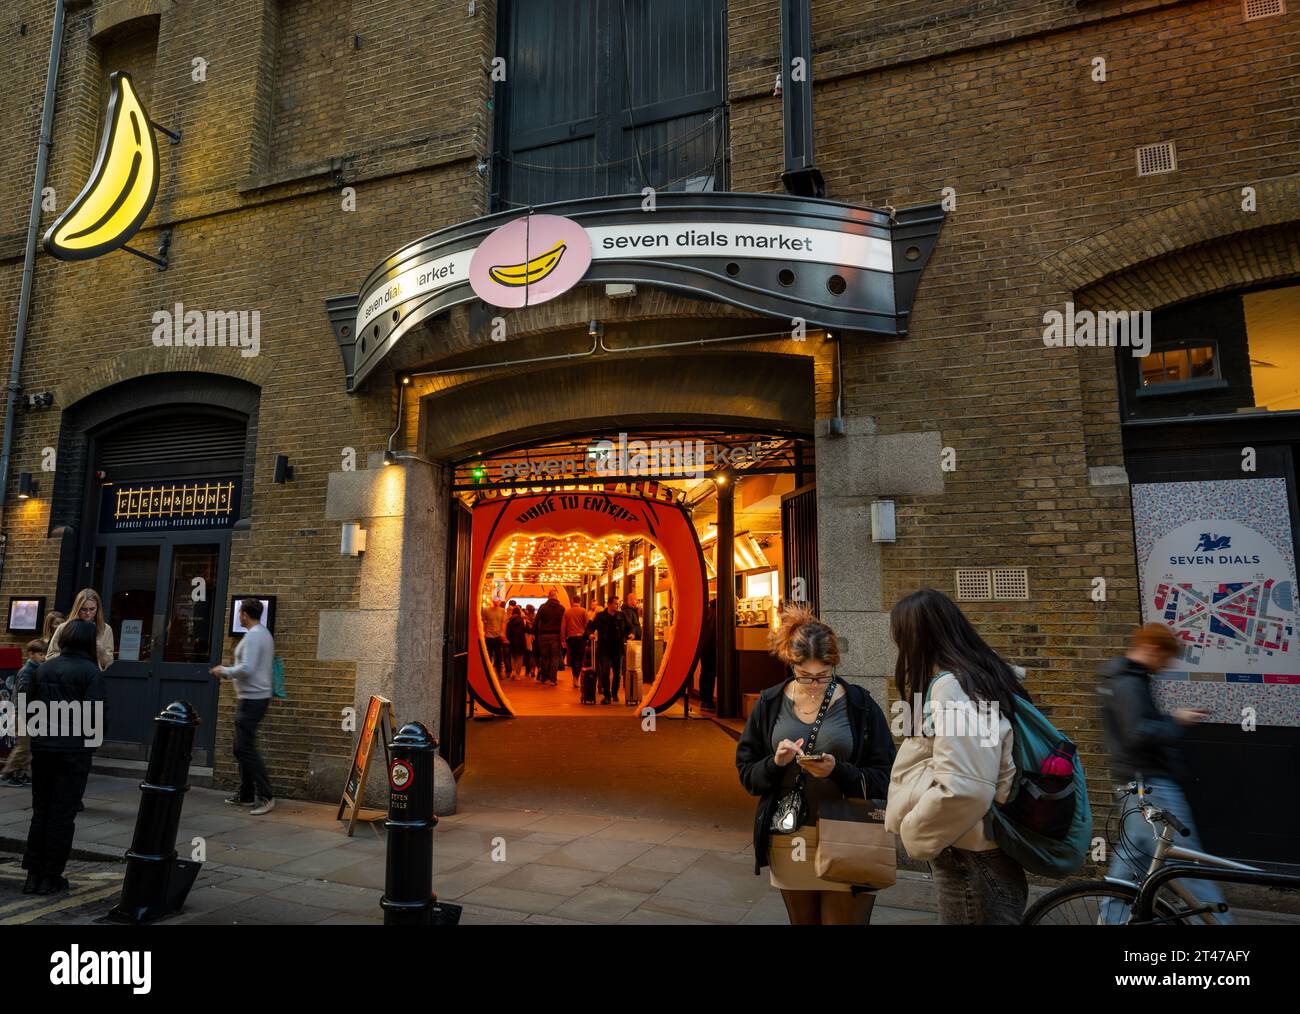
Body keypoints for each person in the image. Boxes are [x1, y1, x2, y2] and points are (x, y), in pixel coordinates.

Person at [735, 606, 895, 925]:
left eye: (823, 675)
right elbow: (748, 774)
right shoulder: (770, 703)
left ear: (833, 664)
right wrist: (776, 763)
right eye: (804, 675)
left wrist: (838, 770)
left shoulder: (859, 704)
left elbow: (886, 776)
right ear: (790, 664)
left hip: (850, 833)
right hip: (790, 834)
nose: (813, 684)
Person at [884, 588, 1029, 925]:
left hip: (970, 858)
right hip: (975, 855)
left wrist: (915, 834)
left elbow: (966, 788)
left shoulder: (954, 686)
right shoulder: (980, 676)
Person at [1097, 622, 1229, 924]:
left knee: (1130, 865)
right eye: (1165, 659)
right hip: (1152, 787)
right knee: (1191, 865)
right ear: (1153, 649)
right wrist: (1176, 720)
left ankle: (1111, 921)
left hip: (1137, 786)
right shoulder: (1129, 682)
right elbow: (1137, 734)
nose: (1165, 667)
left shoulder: (1121, 678)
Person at [22, 620, 105, 895]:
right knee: (62, 815)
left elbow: (28, 707)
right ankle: (51, 876)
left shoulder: (44, 668)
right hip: (73, 753)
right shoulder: (91, 672)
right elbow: (95, 719)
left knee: (41, 812)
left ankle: (33, 876)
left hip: (43, 749)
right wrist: (88, 749)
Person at [209, 599, 275, 815]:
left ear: (244, 614)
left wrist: (224, 671)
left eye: (239, 613)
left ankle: (266, 797)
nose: (239, 616)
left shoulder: (256, 636)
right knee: (241, 748)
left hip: (253, 699)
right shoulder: (261, 634)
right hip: (253, 697)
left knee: (245, 748)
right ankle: (246, 794)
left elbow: (247, 668)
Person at [1, 639, 45, 787]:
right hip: (23, 713)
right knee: (23, 746)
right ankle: (7, 773)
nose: (43, 657)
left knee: (28, 746)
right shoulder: (27, 671)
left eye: (44, 653)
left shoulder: (35, 669)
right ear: (31, 654)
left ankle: (21, 773)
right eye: (40, 654)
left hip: (28, 712)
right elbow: (23, 692)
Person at [46, 590, 114, 671]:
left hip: (91, 674)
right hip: (67, 673)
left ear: (98, 608)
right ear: (77, 608)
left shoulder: (105, 629)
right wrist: (69, 654)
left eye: (92, 609)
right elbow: (50, 657)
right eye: (84, 609)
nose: (88, 613)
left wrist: (101, 650)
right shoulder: (64, 627)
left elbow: (108, 663)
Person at [589, 596, 628, 704]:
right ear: (609, 604)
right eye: (615, 603)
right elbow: (591, 626)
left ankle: (614, 693)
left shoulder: (621, 615)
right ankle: (607, 695)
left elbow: (629, 627)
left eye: (618, 603)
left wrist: (632, 634)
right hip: (604, 649)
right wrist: (591, 634)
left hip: (618, 649)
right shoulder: (600, 616)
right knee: (605, 672)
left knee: (617, 673)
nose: (617, 605)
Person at [534, 590, 566, 687]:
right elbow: (564, 623)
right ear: (556, 596)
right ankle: (553, 679)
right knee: (555, 658)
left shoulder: (543, 607)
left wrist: (533, 632)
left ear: (548, 597)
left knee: (544, 657)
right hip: (556, 636)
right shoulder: (561, 608)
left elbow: (536, 621)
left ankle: (544, 677)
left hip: (544, 636)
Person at [564, 597, 590, 689]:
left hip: (571, 638)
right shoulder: (583, 611)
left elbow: (563, 626)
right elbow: (588, 624)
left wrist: (563, 639)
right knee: (580, 658)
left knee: (573, 658)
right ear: (580, 601)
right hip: (581, 638)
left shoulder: (567, 612)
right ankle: (576, 677)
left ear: (572, 601)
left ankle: (574, 676)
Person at [697, 598, 718, 710]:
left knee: (704, 673)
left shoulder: (708, 611)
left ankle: (703, 701)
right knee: (710, 674)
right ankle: (708, 701)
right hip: (713, 647)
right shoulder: (719, 613)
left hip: (704, 647)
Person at [622, 592, 644, 691]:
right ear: (630, 600)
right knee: (629, 661)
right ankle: (628, 682)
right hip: (632, 640)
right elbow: (630, 624)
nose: (637, 602)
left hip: (634, 639)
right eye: (635, 599)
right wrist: (633, 633)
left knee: (631, 661)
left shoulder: (632, 610)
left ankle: (629, 682)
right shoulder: (628, 611)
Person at [481, 598, 506, 678]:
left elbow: (503, 622)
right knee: (488, 655)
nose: (496, 602)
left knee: (499, 655)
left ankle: (499, 672)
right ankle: (487, 672)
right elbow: (483, 621)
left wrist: (503, 633)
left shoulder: (502, 610)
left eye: (498, 601)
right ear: (492, 601)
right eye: (495, 600)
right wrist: (484, 631)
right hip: (489, 635)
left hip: (498, 636)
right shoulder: (486, 610)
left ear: (499, 602)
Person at [505, 606, 527, 680]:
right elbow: (524, 630)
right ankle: (517, 674)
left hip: (512, 642)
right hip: (520, 642)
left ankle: (513, 671)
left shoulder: (510, 621)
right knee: (519, 658)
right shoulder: (521, 620)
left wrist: (508, 639)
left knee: (513, 657)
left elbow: (507, 632)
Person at [523, 603, 538, 679]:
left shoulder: (525, 618)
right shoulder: (536, 617)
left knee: (528, 655)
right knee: (533, 655)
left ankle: (527, 671)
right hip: (535, 637)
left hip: (528, 637)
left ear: (528, 610)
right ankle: (533, 670)